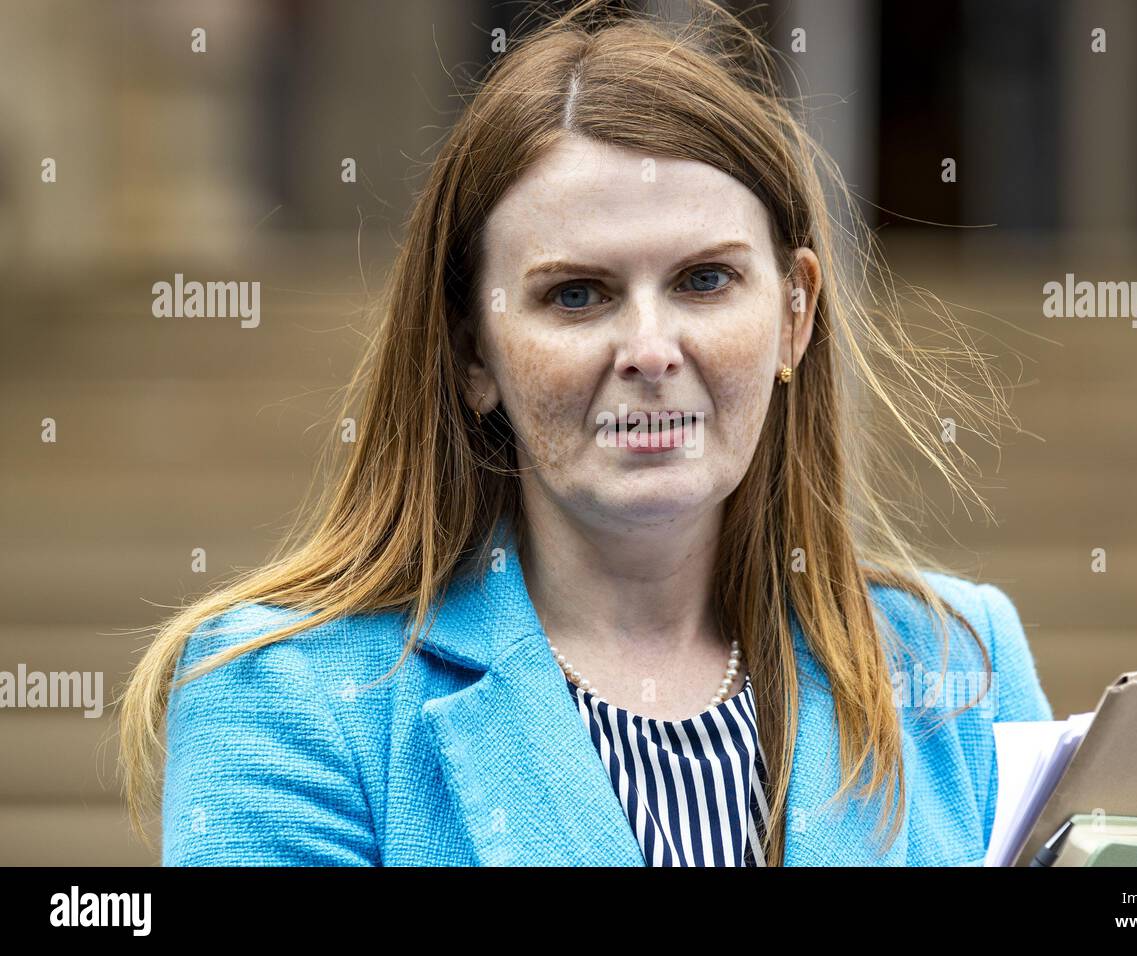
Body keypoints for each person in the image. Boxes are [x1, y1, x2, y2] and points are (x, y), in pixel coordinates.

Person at [118, 0, 1052, 867]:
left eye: (704, 281)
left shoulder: (959, 663)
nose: (650, 350)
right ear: (473, 350)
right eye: (577, 294)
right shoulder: (292, 696)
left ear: (795, 314)